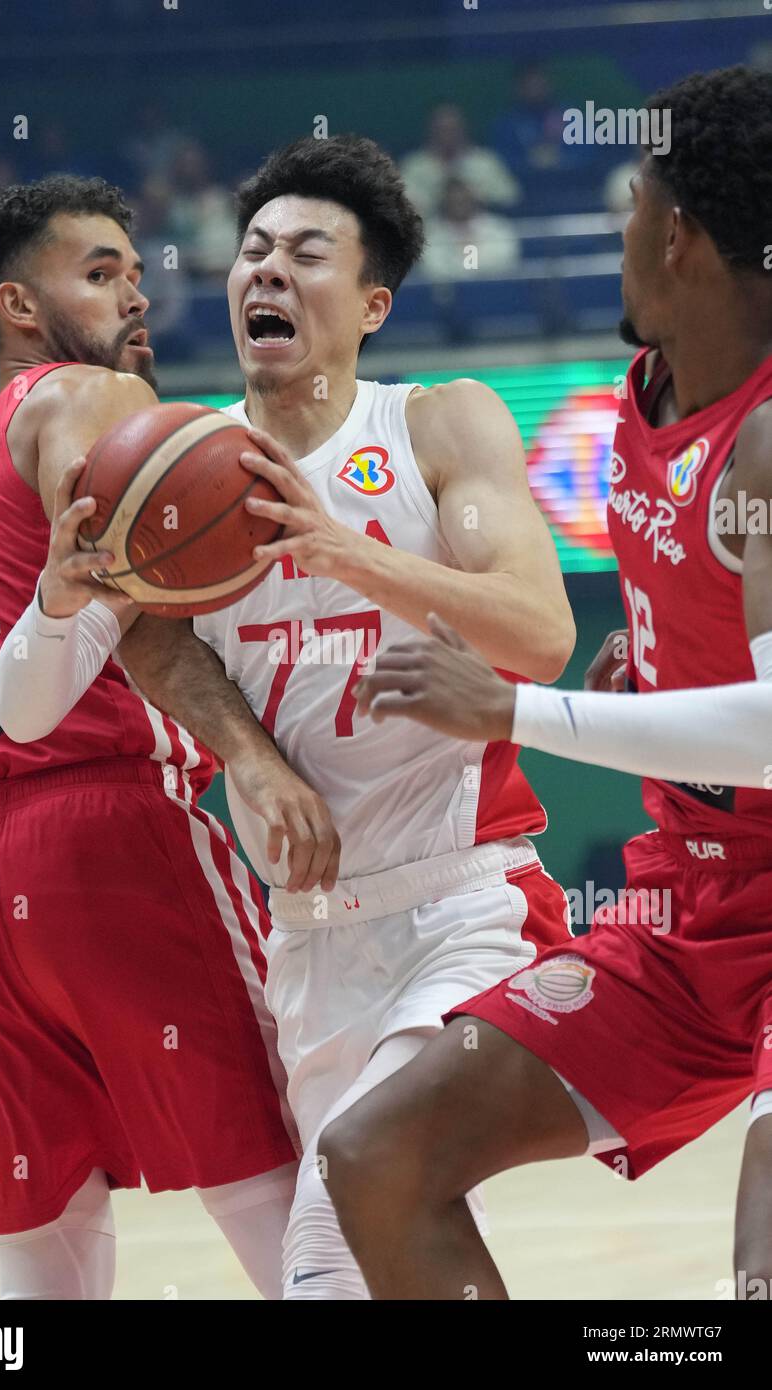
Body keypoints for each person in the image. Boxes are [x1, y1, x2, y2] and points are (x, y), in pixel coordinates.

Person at [23, 133, 578, 1298]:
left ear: (372, 302)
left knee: (337, 1218)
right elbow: (149, 633)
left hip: (467, 905)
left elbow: (539, 630)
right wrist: (250, 758)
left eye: (306, 253)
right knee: (364, 1261)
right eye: (255, 251)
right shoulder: (171, 466)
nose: (266, 271)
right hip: (314, 935)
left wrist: (340, 549)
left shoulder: (437, 423)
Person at [318, 65, 772, 1300]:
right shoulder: (646, 398)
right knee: (378, 1154)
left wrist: (516, 707)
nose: (621, 228)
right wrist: (667, 664)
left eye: (633, 200)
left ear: (676, 235)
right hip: (692, 905)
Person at [0, 173, 348, 1300]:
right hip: (100, 833)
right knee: (276, 1174)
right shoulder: (83, 399)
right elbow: (137, 604)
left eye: (137, 274)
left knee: (42, 1245)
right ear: (19, 306)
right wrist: (249, 752)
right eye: (100, 275)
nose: (135, 298)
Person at [400, 104, 520, 219]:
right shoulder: (414, 165)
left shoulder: (485, 161)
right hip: (431, 233)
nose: (447, 134)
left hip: (481, 232)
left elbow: (509, 197)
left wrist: (476, 198)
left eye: (452, 129)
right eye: (442, 129)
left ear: (463, 129)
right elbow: (402, 206)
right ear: (431, 130)